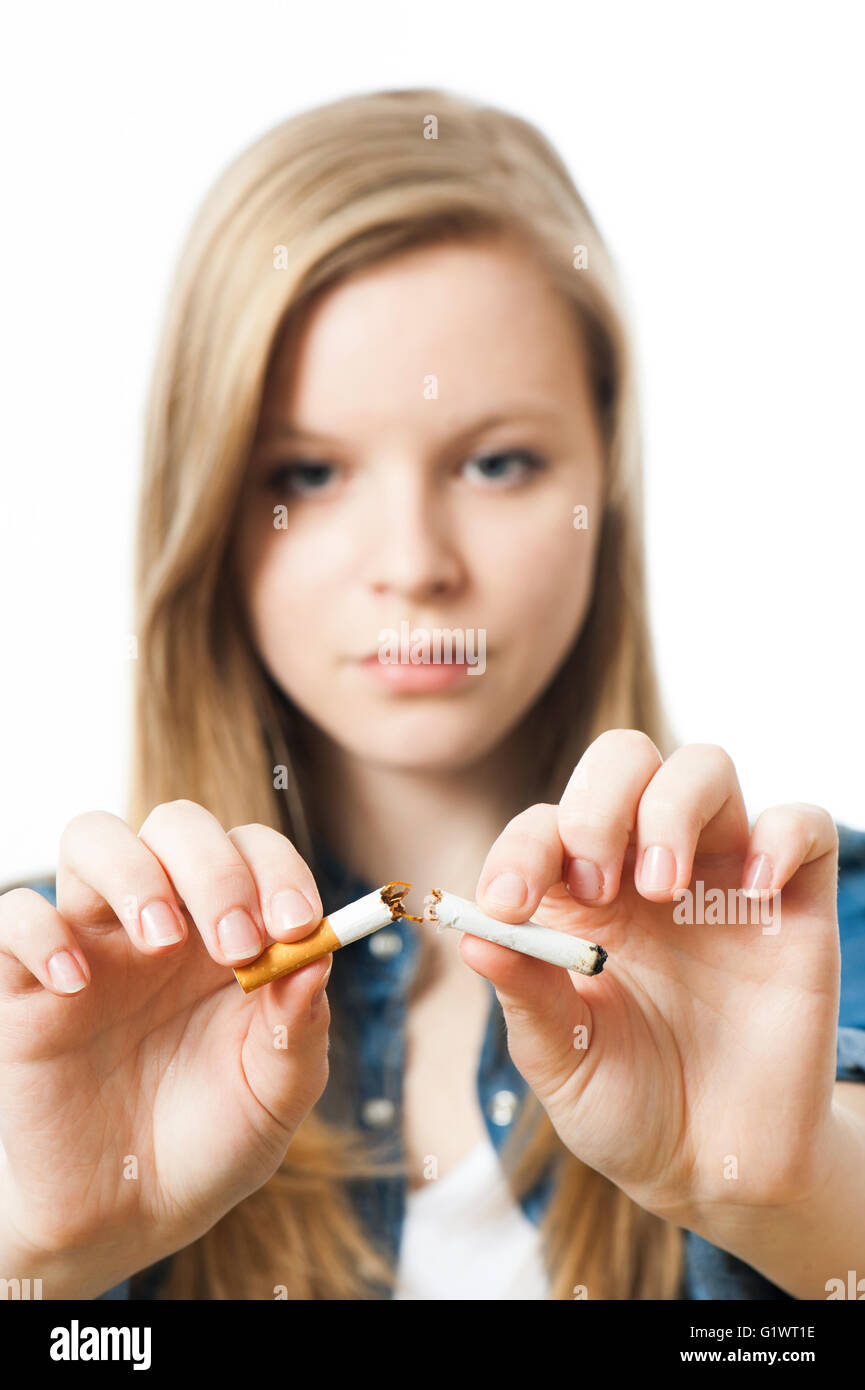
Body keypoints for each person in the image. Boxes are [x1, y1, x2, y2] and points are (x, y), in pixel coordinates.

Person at [2, 88, 864, 1302]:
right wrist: (36, 1259)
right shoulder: (47, 996)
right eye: (309, 473)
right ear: (208, 510)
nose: (413, 563)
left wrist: (804, 1200)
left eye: (496, 462)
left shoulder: (804, 934)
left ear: (605, 483)